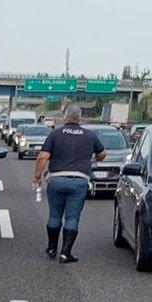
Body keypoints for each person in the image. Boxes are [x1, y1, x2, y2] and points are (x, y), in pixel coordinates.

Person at [32, 105, 105, 263]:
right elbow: (102, 154)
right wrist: (94, 159)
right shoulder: (89, 135)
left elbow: (42, 157)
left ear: (65, 117)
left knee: (54, 215)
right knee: (72, 217)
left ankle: (52, 248)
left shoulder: (55, 134)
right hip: (79, 180)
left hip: (56, 179)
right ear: (79, 118)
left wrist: (37, 177)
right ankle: (65, 253)